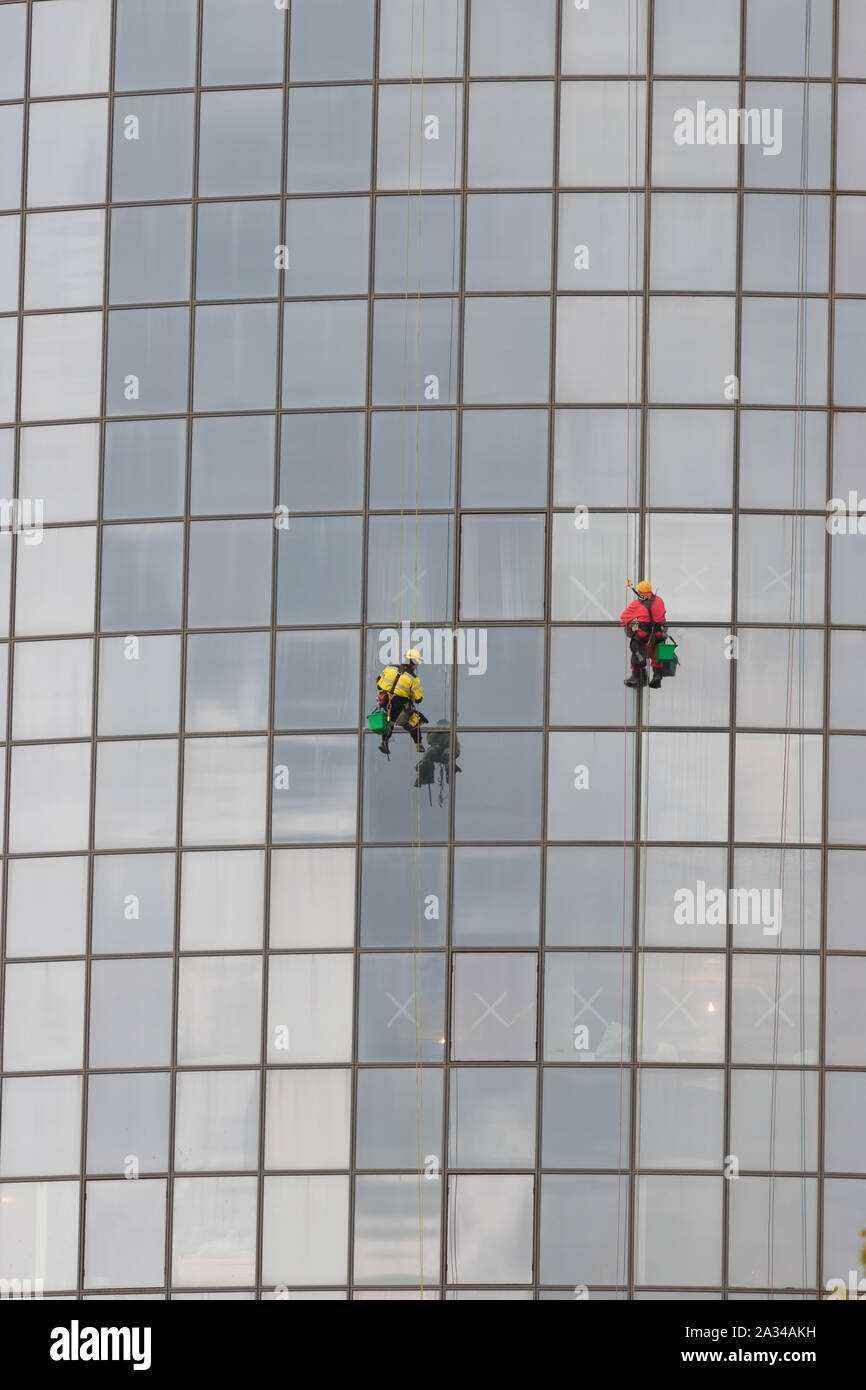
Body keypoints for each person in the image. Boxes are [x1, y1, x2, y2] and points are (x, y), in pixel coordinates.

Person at [376, 648, 427, 753]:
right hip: (399, 707)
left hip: (385, 703)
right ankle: (419, 745)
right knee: (415, 720)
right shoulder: (413, 678)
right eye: (417, 663)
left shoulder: (389, 668)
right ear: (414, 663)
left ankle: (383, 742)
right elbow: (418, 699)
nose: (417, 666)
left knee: (390, 722)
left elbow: (378, 684)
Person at [620, 581, 667, 689]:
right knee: (656, 650)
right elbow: (662, 616)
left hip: (644, 633)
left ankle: (636, 676)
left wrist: (629, 627)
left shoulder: (637, 603)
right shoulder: (659, 600)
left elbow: (624, 619)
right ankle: (657, 676)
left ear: (640, 592)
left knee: (635, 646)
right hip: (658, 633)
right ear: (650, 591)